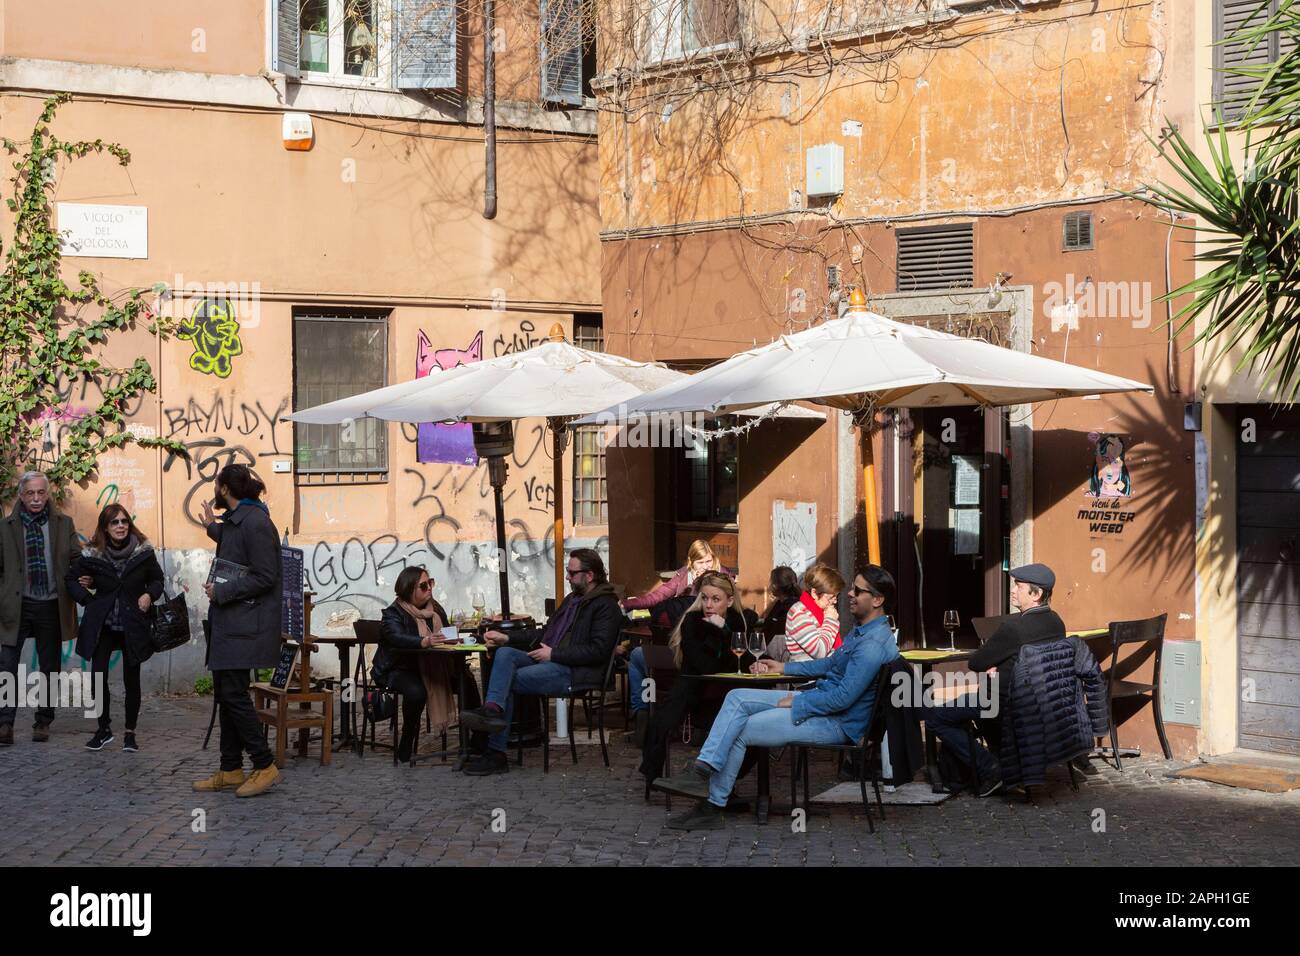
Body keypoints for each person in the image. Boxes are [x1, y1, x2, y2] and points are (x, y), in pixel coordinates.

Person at [655, 565, 900, 830]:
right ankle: (702, 770)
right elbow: (829, 664)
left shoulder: (872, 645)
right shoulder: (864, 632)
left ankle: (712, 806)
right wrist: (784, 667)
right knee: (737, 697)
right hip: (822, 704)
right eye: (852, 588)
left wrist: (799, 701)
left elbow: (843, 699)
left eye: (857, 590)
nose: (849, 594)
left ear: (877, 600)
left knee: (741, 727)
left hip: (836, 722)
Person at [459, 548, 621, 775]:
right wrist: (507, 637)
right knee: (504, 653)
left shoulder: (606, 606)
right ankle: (492, 711)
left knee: (508, 680)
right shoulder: (572, 600)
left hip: (574, 672)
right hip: (549, 661)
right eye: (567, 572)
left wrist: (554, 655)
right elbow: (545, 633)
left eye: (572, 573)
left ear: (590, 575)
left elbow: (598, 651)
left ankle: (493, 750)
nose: (567, 577)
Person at [919, 563, 1066, 796]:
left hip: (1002, 703)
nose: (1012, 590)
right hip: (1039, 703)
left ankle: (990, 768)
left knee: (935, 717)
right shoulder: (1057, 623)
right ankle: (996, 762)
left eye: (1019, 586)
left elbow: (976, 662)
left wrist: (995, 664)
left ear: (1036, 594)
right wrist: (1002, 663)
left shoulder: (1014, 628)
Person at [193, 464, 283, 798]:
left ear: (225, 489)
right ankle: (231, 768)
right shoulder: (238, 520)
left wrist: (223, 591)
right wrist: (210, 528)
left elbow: (265, 575)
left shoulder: (256, 521)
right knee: (225, 693)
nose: (215, 491)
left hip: (245, 624)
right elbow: (234, 544)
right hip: (231, 623)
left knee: (233, 694)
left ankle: (264, 764)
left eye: (217, 485)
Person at [67, 504, 164, 752]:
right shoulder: (93, 554)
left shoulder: (143, 552)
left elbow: (157, 580)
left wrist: (149, 595)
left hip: (133, 624)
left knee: (132, 679)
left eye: (124, 521)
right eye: (114, 522)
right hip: (104, 625)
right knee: (97, 677)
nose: (120, 526)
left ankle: (130, 733)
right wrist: (88, 600)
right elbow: (71, 579)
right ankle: (104, 730)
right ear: (105, 527)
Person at [638, 572, 751, 783]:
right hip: (693, 686)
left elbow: (744, 660)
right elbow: (704, 665)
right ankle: (655, 774)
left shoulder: (739, 622)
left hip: (727, 690)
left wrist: (724, 630)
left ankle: (726, 779)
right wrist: (717, 631)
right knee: (663, 721)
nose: (708, 605)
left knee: (747, 721)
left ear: (729, 601)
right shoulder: (692, 621)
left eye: (715, 599)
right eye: (704, 598)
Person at [0, 471, 81, 746]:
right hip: (16, 605)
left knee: (49, 666)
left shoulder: (63, 524)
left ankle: (43, 721)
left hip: (51, 604)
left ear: (48, 494)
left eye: (41, 492)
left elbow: (76, 558)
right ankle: (4, 724)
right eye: (30, 493)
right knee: (6, 665)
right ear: (21, 496)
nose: (36, 498)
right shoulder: (5, 527)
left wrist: (83, 575)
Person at [373, 566, 483, 764]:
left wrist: (453, 638)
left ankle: (478, 737)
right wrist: (423, 641)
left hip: (434, 666)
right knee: (416, 692)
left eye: (430, 583)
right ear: (409, 590)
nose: (429, 588)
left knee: (467, 681)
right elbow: (396, 637)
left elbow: (447, 632)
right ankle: (407, 739)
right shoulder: (393, 613)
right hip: (399, 668)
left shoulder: (435, 609)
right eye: (423, 586)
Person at [622, 540, 726, 735]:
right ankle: (652, 710)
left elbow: (657, 602)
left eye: (708, 561)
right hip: (695, 661)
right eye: (701, 562)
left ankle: (643, 709)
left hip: (673, 660)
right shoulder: (688, 583)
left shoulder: (668, 608)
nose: (706, 566)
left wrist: (627, 605)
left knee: (638, 656)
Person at [782, 563, 845, 662]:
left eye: (837, 596)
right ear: (814, 593)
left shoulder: (822, 611)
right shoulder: (799, 613)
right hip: (806, 671)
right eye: (831, 597)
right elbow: (820, 652)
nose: (835, 601)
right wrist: (830, 621)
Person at [758, 566, 801, 649]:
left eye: (771, 582)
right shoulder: (780, 603)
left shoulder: (789, 608)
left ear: (775, 586)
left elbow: (773, 635)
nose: (769, 585)